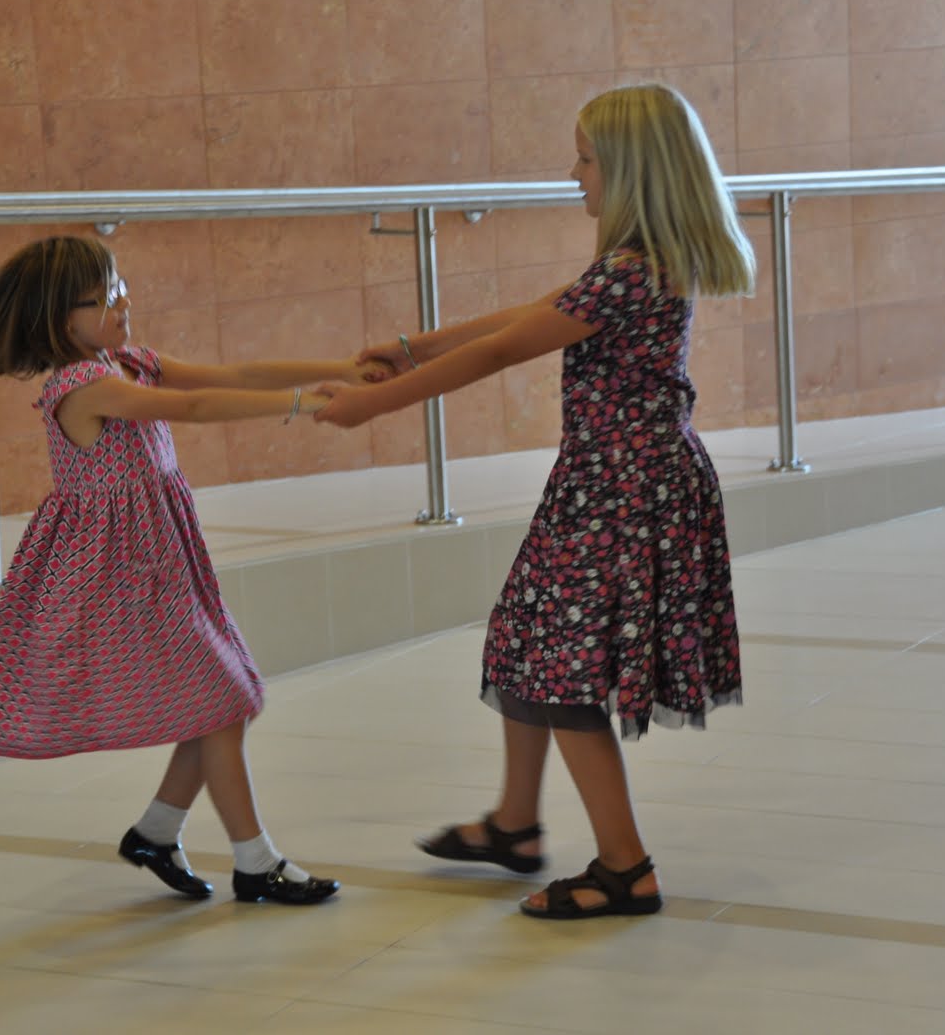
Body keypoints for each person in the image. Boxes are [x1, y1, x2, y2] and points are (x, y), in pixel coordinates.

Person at [314, 84, 754, 919]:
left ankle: (626, 869)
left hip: (621, 491)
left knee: (560, 673)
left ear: (628, 173)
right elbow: (535, 314)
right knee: (526, 637)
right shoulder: (631, 267)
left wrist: (375, 402)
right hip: (611, 483)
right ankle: (515, 823)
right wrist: (415, 347)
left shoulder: (632, 274)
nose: (573, 174)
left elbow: (510, 346)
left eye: (585, 160)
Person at [0, 235, 387, 906]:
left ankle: (158, 831)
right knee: (223, 698)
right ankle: (254, 861)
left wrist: (346, 368)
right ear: (63, 317)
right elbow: (193, 407)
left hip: (163, 562)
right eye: (105, 297)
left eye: (122, 286)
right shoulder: (85, 384)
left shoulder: (127, 360)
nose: (124, 302)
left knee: (220, 701)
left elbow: (229, 377)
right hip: (119, 577)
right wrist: (302, 403)